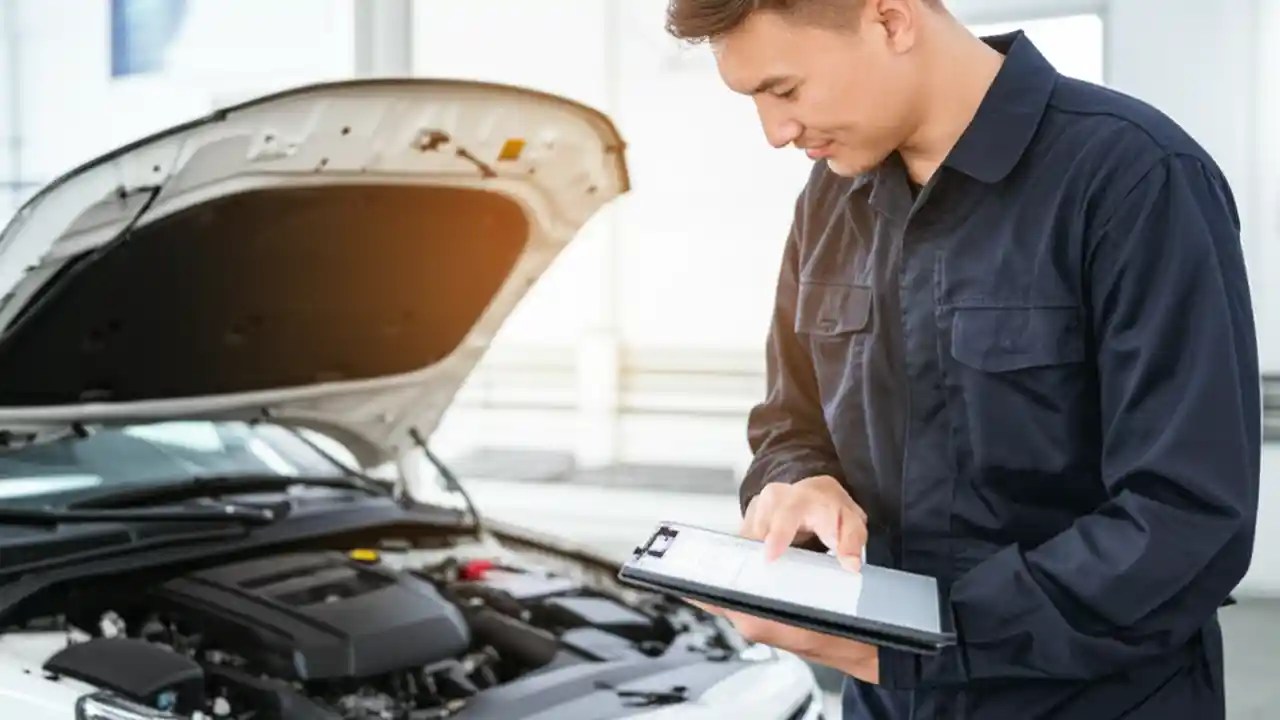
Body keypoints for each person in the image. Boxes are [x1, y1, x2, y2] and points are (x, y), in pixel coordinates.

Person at [662, 0, 1260, 718]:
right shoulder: (828, 199)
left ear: (890, 19)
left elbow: (1186, 517)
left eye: (784, 90)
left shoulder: (1135, 179)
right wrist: (801, 481)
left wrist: (932, 639)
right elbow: (789, 422)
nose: (774, 132)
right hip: (884, 700)